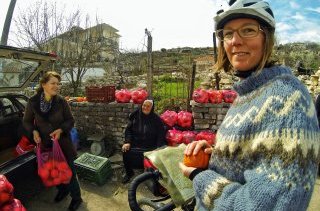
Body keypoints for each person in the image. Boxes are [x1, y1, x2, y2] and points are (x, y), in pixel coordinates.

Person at [179, 0, 320, 210]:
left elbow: (266, 205)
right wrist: (217, 155)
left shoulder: (288, 99)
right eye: (228, 33)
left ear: (267, 38)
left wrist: (201, 177)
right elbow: (251, 158)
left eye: (248, 30)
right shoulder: (247, 94)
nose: (235, 40)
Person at [23, 71, 82, 211]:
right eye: (53, 83)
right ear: (44, 84)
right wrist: (34, 131)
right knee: (53, 171)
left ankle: (76, 198)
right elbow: (26, 122)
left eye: (58, 83)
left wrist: (61, 130)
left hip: (63, 144)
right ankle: (63, 189)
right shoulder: (32, 102)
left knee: (70, 173)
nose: (57, 86)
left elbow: (70, 120)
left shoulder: (61, 102)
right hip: (46, 144)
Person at [122, 99, 166, 183]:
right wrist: (127, 142)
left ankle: (149, 173)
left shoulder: (156, 119)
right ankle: (129, 173)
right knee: (125, 151)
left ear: (152, 108)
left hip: (150, 145)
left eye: (148, 106)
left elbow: (161, 133)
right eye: (144, 105)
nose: (145, 107)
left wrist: (159, 146)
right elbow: (128, 130)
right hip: (136, 143)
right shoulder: (135, 116)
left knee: (155, 156)